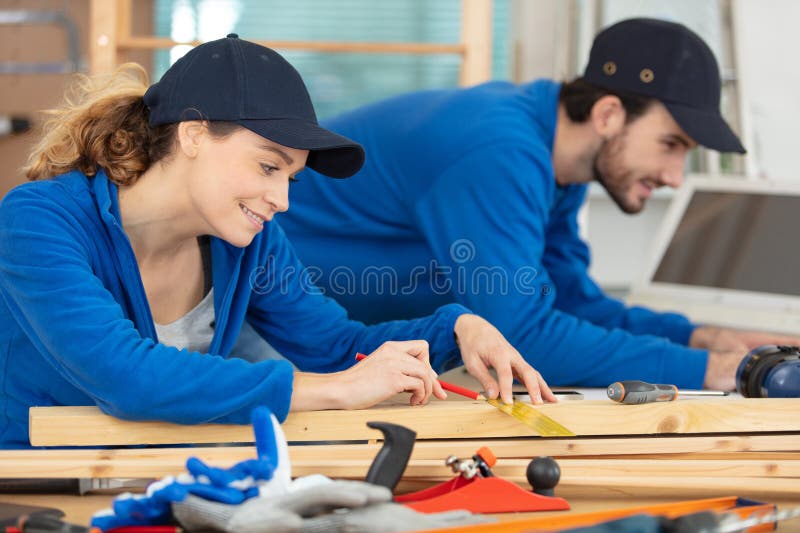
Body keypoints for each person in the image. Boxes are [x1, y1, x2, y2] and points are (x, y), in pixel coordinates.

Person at [0, 35, 555, 449]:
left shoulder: (245, 239)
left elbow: (338, 346)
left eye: (289, 178)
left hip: (157, 471)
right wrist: (331, 390)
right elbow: (127, 377)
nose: (281, 199)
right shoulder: (39, 221)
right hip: (38, 486)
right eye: (268, 166)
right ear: (193, 133)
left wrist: (458, 327)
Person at [278, 18, 800, 392]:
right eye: (671, 144)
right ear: (609, 114)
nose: (673, 176)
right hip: (278, 332)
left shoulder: (557, 159)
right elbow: (521, 333)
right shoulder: (499, 150)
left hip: (362, 341)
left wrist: (703, 336)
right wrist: (711, 369)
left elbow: (570, 301)